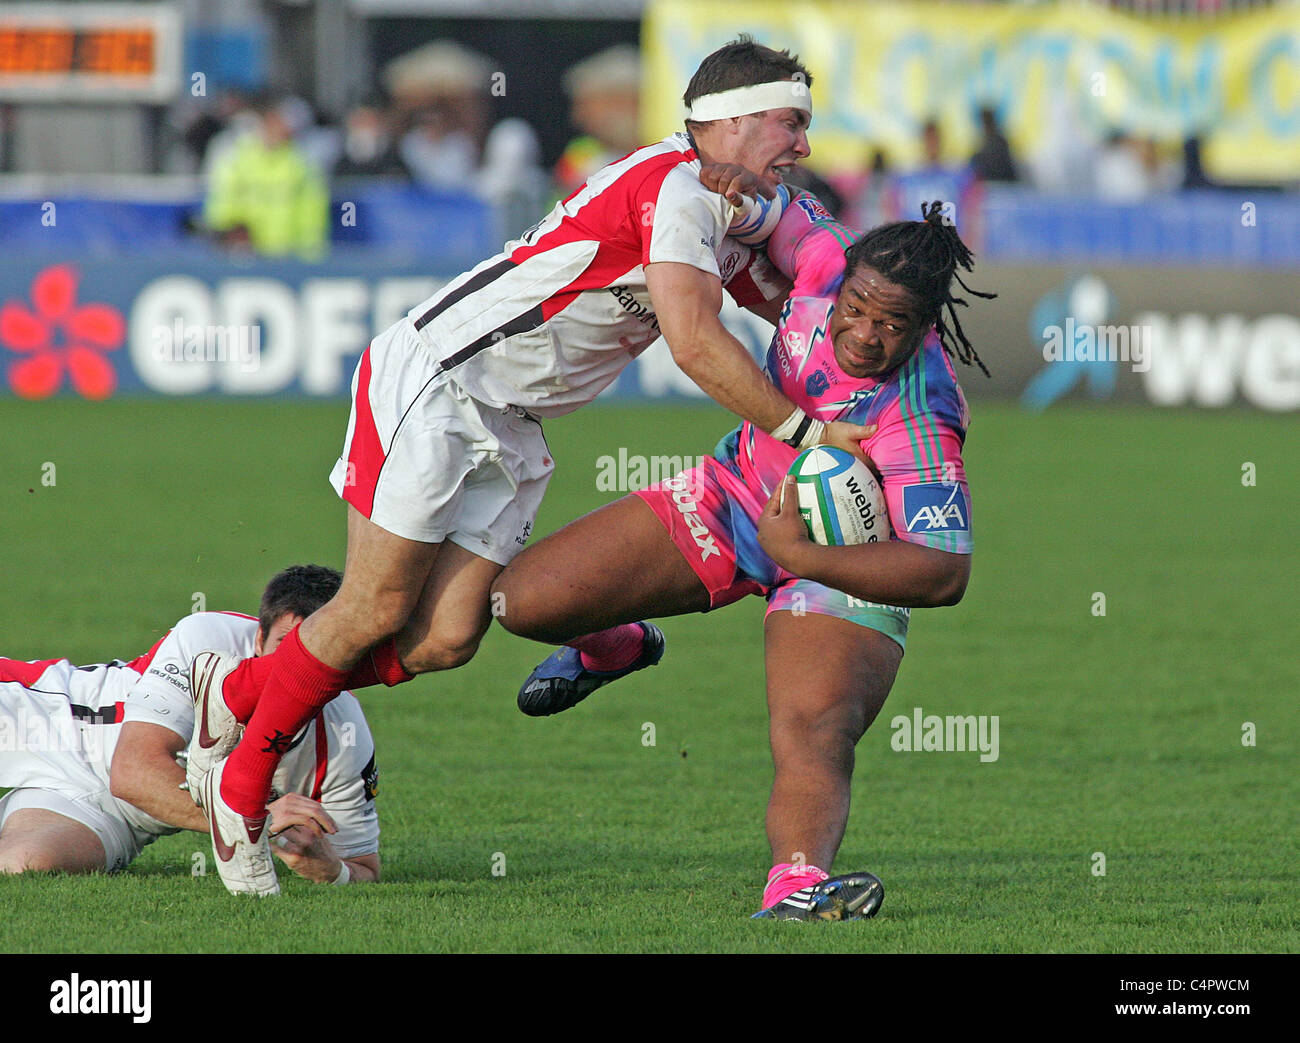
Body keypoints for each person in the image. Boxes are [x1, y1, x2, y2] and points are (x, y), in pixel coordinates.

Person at [186, 36, 873, 897]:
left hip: (509, 420)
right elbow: (697, 343)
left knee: (445, 638)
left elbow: (806, 297)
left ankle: (242, 689)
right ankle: (240, 791)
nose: (804, 144)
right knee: (374, 605)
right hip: (442, 378)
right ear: (728, 121)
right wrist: (807, 434)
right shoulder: (676, 192)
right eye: (790, 122)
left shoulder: (726, 202)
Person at [492, 192, 992, 921]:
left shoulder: (922, 413)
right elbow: (754, 199)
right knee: (522, 599)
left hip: (846, 563)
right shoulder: (819, 258)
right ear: (840, 282)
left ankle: (797, 885)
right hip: (734, 497)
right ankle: (616, 648)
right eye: (857, 308)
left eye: (894, 324)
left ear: (924, 330)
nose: (865, 334)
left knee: (815, 729)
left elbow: (945, 572)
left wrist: (804, 557)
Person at [0, 566, 379, 889]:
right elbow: (133, 772)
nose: (296, 665)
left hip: (116, 813)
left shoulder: (344, 737)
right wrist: (255, 819)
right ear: (258, 639)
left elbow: (364, 868)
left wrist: (332, 871)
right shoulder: (212, 642)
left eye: (315, 655)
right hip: (39, 714)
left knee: (27, 864)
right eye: (285, 646)